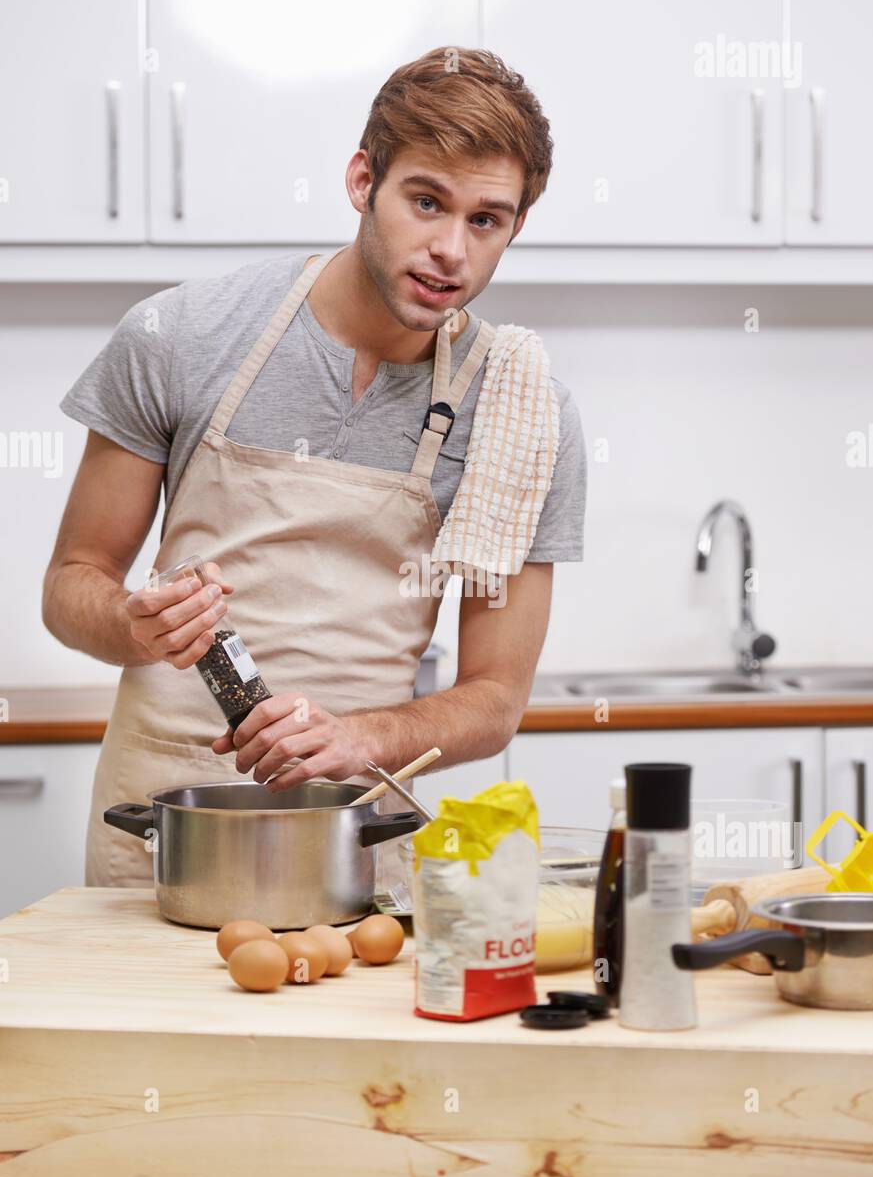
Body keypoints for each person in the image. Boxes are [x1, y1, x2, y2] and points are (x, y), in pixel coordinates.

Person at [43, 47, 587, 886]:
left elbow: (493, 698)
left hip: (352, 824)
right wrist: (133, 625)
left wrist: (362, 737)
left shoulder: (519, 413)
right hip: (164, 813)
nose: (450, 250)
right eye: (425, 202)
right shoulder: (183, 336)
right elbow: (72, 584)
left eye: (485, 220)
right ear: (362, 179)